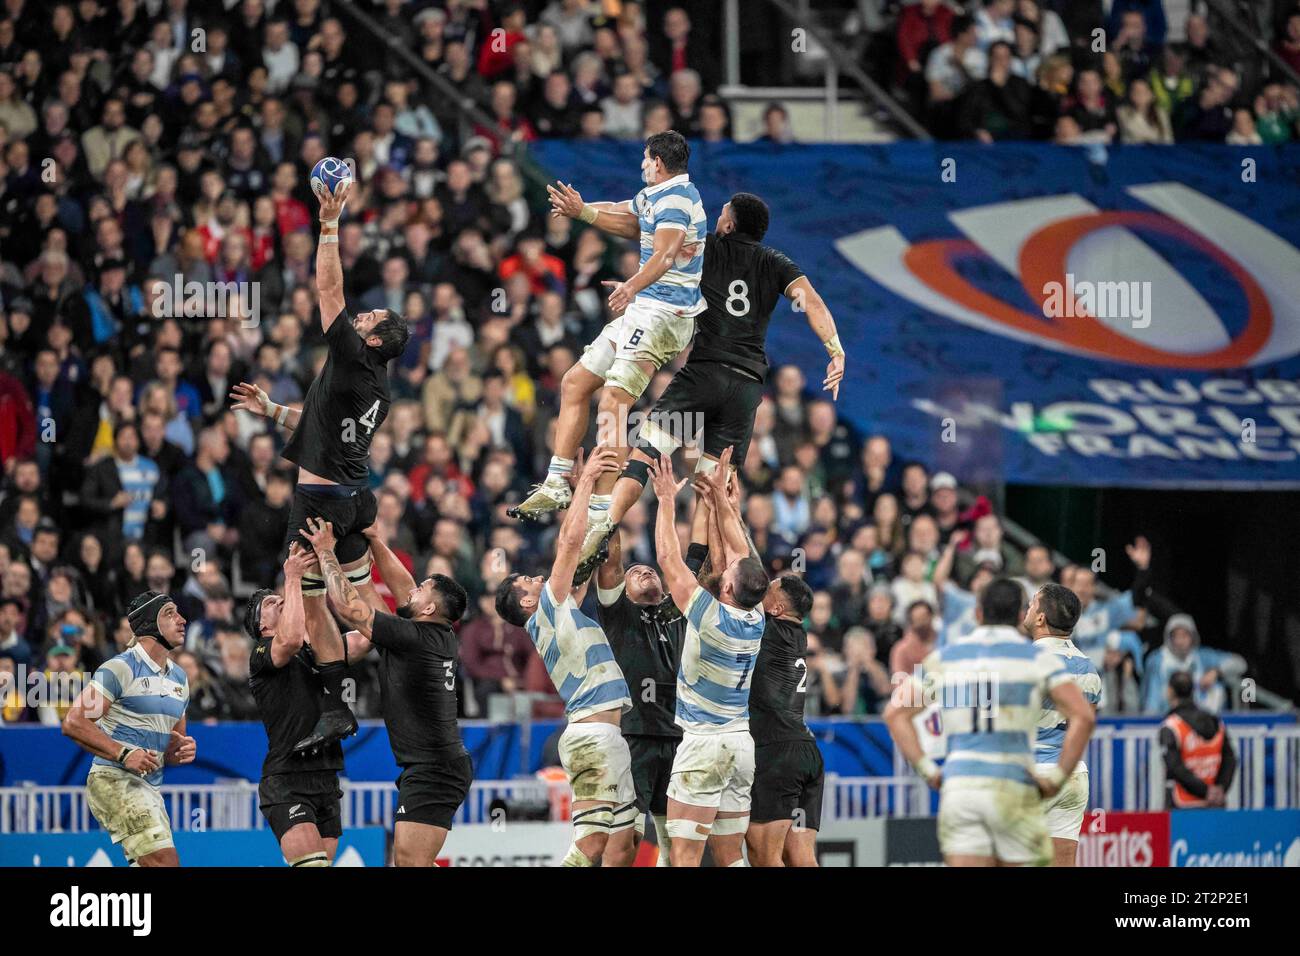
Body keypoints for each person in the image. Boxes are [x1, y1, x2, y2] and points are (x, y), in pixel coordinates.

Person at [546, 187, 845, 573]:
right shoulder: (778, 263)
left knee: (646, 454)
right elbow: (813, 303)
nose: (716, 219)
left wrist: (587, 215)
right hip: (747, 389)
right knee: (711, 485)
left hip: (703, 374)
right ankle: (689, 573)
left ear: (730, 223)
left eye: (722, 214)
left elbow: (647, 234)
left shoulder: (705, 247)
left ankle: (600, 529)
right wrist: (834, 351)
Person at [230, 176, 410, 753]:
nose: (359, 318)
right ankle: (405, 651)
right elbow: (317, 430)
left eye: (369, 318)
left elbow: (327, 293)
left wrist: (329, 221)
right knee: (351, 602)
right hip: (355, 498)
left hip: (321, 504)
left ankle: (337, 704)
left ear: (375, 341)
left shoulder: (357, 360)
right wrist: (272, 409)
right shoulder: (378, 387)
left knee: (314, 600)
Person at [510, 132, 706, 533]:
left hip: (665, 315)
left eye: (645, 159)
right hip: (645, 310)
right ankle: (557, 482)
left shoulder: (677, 200)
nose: (641, 165)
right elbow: (627, 215)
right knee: (575, 382)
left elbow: (667, 254)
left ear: (658, 163)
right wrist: (581, 210)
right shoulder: (657, 195)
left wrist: (632, 285)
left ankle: (601, 511)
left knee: (614, 401)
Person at [884, 579, 1095, 867]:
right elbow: (1083, 715)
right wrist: (1057, 778)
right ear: (1019, 615)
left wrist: (929, 771)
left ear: (978, 613)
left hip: (962, 785)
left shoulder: (946, 657)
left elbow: (895, 714)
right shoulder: (1037, 659)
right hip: (1014, 781)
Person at [495, 447, 638, 868]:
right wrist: (591, 480)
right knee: (590, 847)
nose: (538, 577)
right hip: (592, 736)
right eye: (528, 580)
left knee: (623, 846)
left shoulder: (559, 612)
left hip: (605, 736)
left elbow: (586, 559)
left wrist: (584, 495)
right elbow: (570, 544)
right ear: (524, 602)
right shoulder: (546, 611)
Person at [301, 517, 471, 867]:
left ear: (428, 610)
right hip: (435, 766)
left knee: (408, 863)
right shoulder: (436, 634)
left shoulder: (414, 638)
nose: (411, 589)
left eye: (422, 589)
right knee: (409, 863)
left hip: (433, 770)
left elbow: (349, 608)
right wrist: (377, 540)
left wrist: (326, 553)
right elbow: (404, 586)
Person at [649, 450, 767, 867]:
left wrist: (665, 500)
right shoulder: (756, 618)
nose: (726, 567)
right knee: (732, 858)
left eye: (729, 574)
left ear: (729, 590)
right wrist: (721, 500)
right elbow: (738, 552)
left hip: (704, 746)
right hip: (741, 744)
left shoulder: (712, 617)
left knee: (683, 857)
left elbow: (669, 561)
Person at [61, 591, 197, 866]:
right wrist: (124, 753)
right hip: (114, 780)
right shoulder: (120, 667)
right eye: (170, 613)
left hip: (149, 787)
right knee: (165, 862)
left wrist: (179, 750)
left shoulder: (180, 678)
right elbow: (74, 721)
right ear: (149, 623)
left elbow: (171, 749)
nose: (182, 620)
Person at [594, 512, 688, 866]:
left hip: (680, 740)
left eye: (650, 571)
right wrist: (613, 508)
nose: (644, 571)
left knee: (679, 844)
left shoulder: (678, 613)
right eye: (635, 573)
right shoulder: (620, 615)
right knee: (624, 842)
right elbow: (612, 561)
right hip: (635, 739)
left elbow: (697, 560)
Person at [245, 545, 346, 868]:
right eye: (270, 604)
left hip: (326, 777)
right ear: (262, 626)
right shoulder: (262, 654)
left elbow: (364, 639)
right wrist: (292, 577)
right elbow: (287, 640)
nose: (281, 600)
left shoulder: (318, 650)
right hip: (287, 779)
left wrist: (337, 565)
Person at [746, 573, 824, 868]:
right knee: (801, 857)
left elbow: (744, 571)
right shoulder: (799, 633)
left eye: (767, 590)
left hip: (776, 752)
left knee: (765, 858)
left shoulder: (765, 630)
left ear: (776, 609)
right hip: (806, 751)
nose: (759, 590)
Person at [1024, 583, 1101, 867]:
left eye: (1032, 604)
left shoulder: (1026, 662)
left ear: (1041, 618)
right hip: (1073, 776)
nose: (1028, 609)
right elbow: (1084, 726)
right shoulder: (1089, 667)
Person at [1159, 670, 1236, 810]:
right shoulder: (1216, 722)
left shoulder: (1172, 726)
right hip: (1213, 805)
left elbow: (1175, 768)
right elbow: (1230, 759)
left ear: (1170, 691)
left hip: (1182, 806)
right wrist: (1220, 789)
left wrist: (1205, 791)